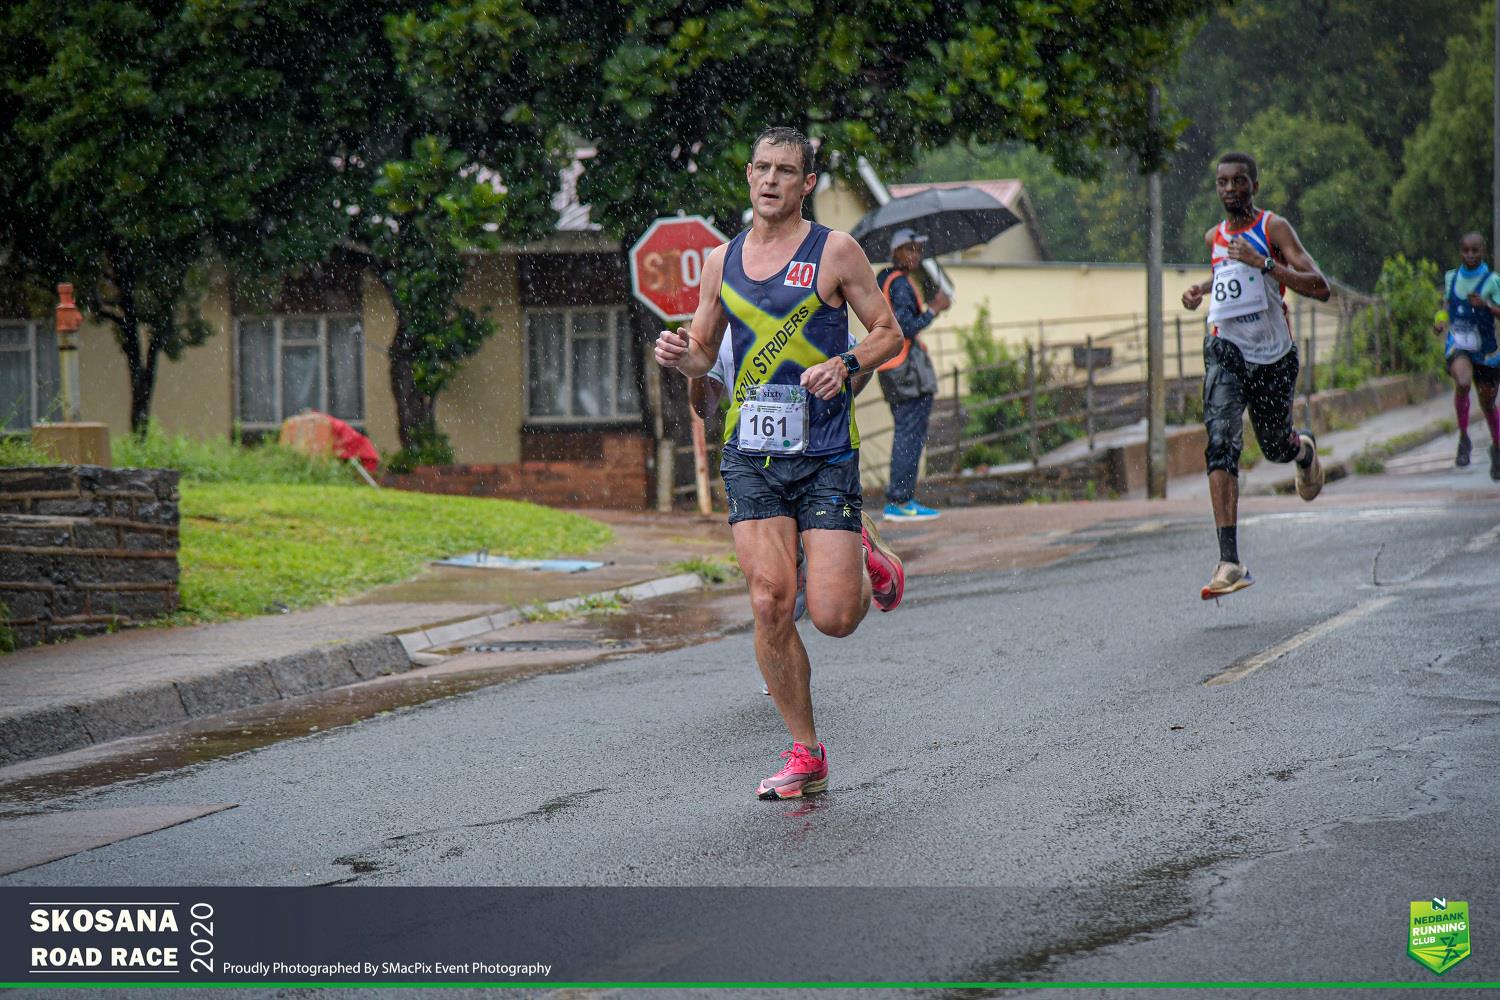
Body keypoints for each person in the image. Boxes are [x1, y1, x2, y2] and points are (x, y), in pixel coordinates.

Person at [655, 125, 906, 800]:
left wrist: (846, 362)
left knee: (833, 617)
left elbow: (889, 333)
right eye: (761, 167)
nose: (771, 180)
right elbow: (707, 357)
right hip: (751, 454)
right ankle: (806, 751)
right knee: (770, 601)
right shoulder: (722, 261)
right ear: (748, 175)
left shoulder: (836, 252)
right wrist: (685, 358)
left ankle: (863, 555)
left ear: (807, 184)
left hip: (825, 453)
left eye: (786, 171)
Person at [689, 328, 874, 694]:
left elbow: (862, 360)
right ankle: (782, 676)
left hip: (820, 463)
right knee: (769, 593)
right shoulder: (721, 328)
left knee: (837, 615)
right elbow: (703, 407)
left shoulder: (813, 307)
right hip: (754, 467)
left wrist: (837, 394)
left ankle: (857, 556)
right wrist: (695, 367)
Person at [1181, 151, 1330, 600]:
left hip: (1271, 357)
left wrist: (1264, 262)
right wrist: (1200, 290)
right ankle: (1230, 561)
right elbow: (1224, 269)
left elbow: (1319, 286)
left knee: (1273, 446)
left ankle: (1301, 451)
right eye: (1222, 182)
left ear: (1254, 186)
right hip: (1225, 348)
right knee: (1222, 440)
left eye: (1239, 181)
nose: (1229, 189)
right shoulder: (1215, 236)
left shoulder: (1273, 229)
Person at [876, 229, 951, 522]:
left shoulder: (884, 279)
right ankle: (900, 499)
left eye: (919, 249)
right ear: (896, 252)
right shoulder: (900, 284)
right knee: (910, 433)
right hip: (906, 369)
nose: (916, 255)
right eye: (910, 249)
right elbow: (906, 327)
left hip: (890, 368)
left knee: (905, 431)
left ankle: (901, 497)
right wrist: (934, 309)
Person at [1433, 232, 1500, 478]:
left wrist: (1487, 305)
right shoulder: (1452, 278)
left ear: (1483, 252)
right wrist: (1440, 322)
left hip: (1486, 351)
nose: (1470, 255)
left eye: (1475, 251)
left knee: (1488, 402)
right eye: (1466, 251)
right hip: (1459, 344)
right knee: (1462, 382)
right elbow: (1445, 307)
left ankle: (1497, 447)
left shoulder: (1492, 281)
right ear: (1460, 252)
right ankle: (1464, 439)